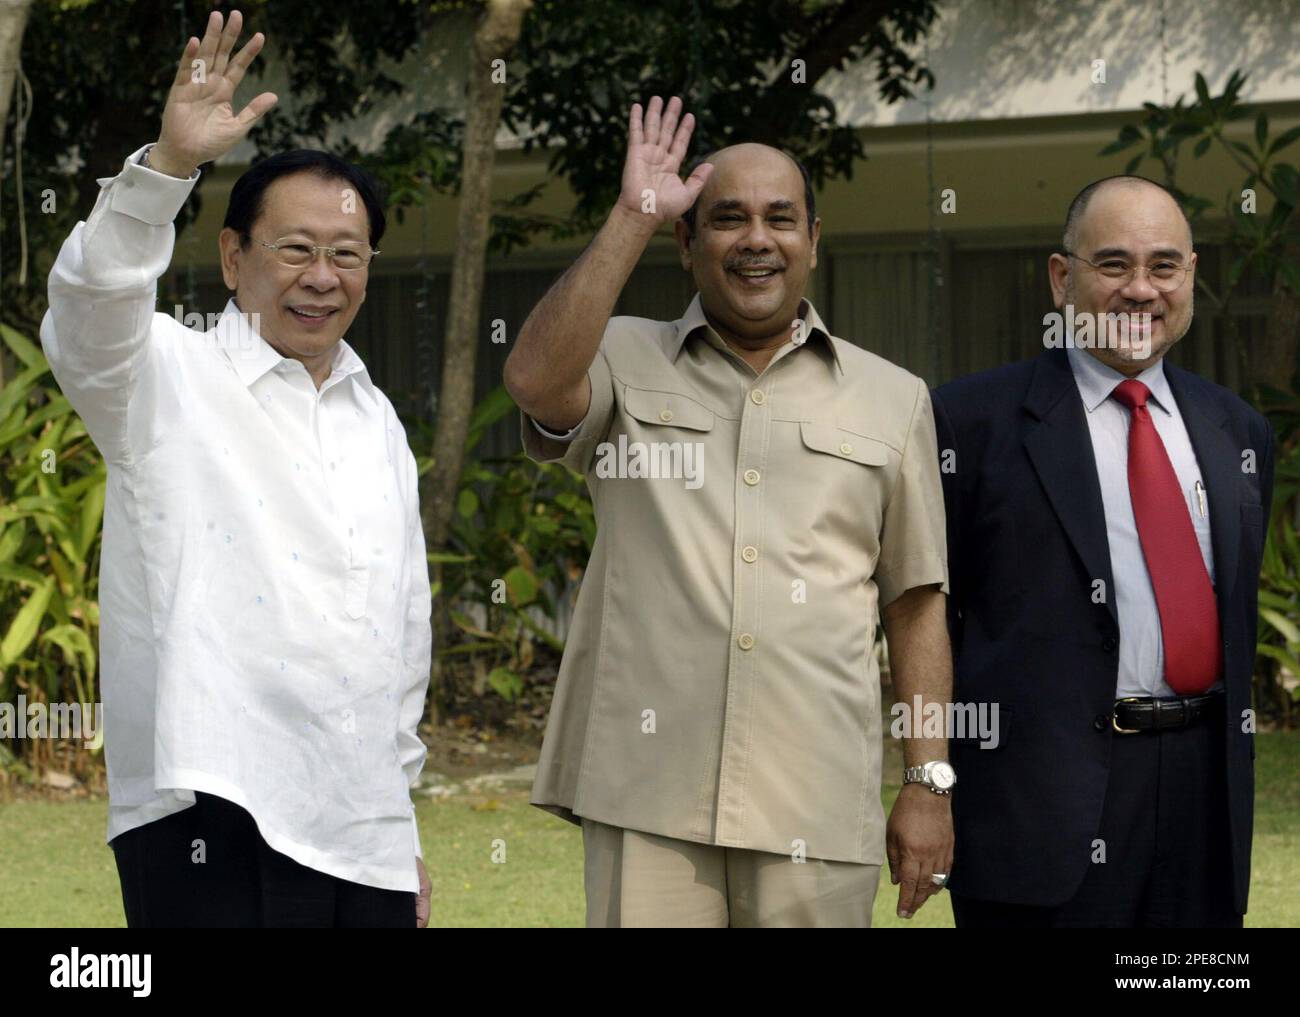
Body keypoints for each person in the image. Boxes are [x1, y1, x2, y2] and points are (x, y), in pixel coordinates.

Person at [504, 95, 954, 927]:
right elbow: (533, 382)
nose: (757, 238)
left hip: (816, 797)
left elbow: (915, 601)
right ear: (686, 241)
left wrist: (928, 779)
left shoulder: (894, 398)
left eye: (782, 218)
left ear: (813, 242)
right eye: (727, 219)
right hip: (648, 792)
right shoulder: (619, 354)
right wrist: (632, 215)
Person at [40, 10, 433, 928]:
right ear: (234, 255)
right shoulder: (167, 372)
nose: (322, 276)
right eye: (295, 249)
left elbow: (401, 628)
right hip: (204, 807)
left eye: (346, 254)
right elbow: (88, 312)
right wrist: (169, 169)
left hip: (359, 823)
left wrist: (397, 816)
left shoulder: (377, 420)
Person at [932, 175, 1274, 927]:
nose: (1140, 290)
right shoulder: (967, 423)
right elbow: (925, 617)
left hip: (1201, 802)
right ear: (1063, 278)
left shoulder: (1238, 431)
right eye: (1113, 265)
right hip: (1040, 812)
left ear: (1190, 277)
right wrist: (928, 780)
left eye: (1163, 266)